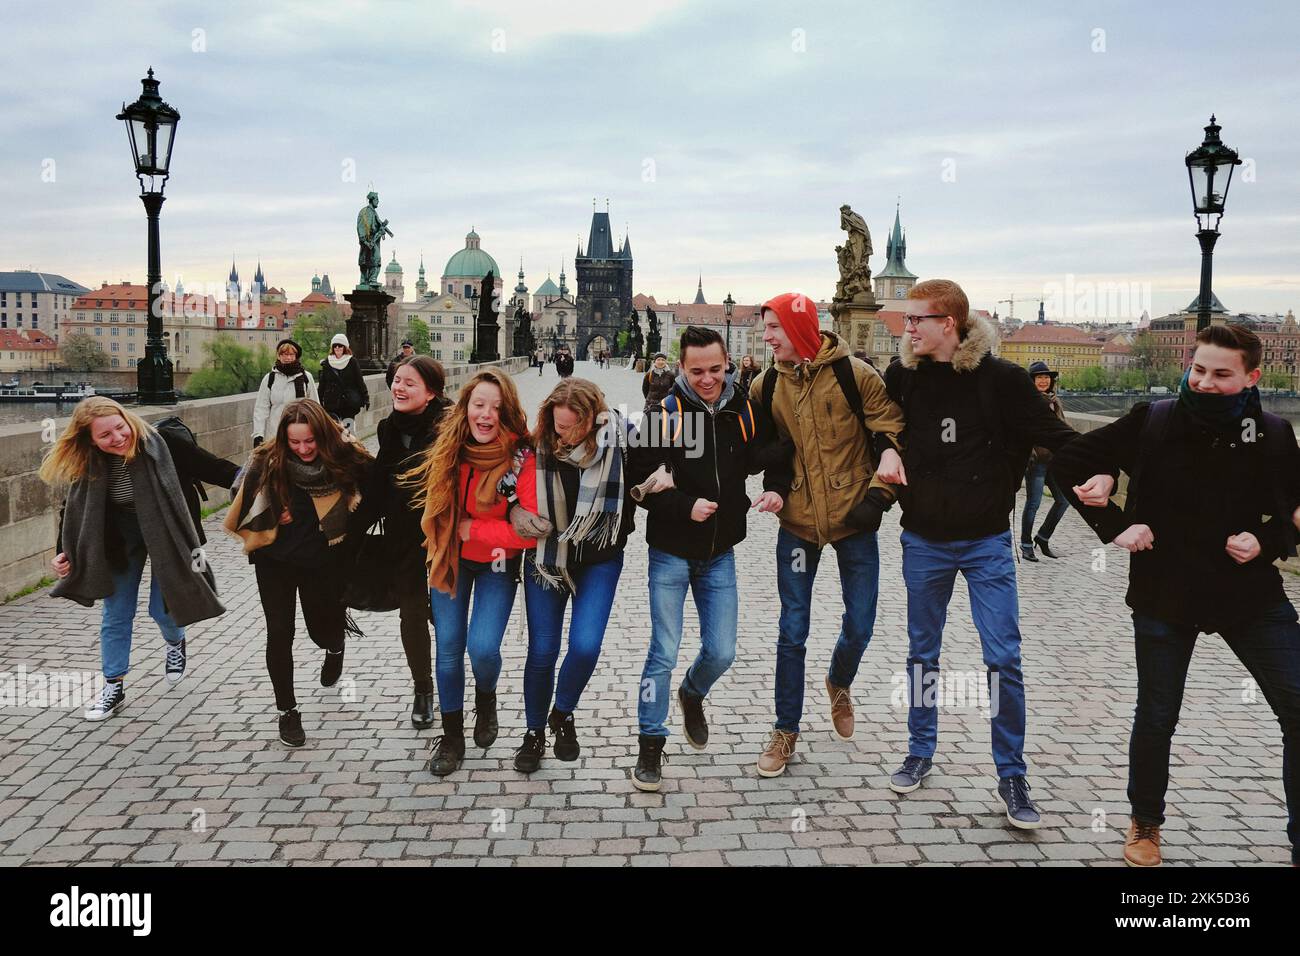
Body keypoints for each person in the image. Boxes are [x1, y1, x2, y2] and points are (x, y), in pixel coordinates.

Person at [1050, 323, 1300, 867]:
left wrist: (1268, 540)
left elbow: (1296, 514)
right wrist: (1115, 525)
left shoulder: (1275, 433)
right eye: (1198, 369)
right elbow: (1063, 463)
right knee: (1158, 712)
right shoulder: (1154, 420)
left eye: (1220, 374)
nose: (1205, 382)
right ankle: (1145, 824)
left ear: (1252, 377)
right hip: (1165, 591)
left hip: (1249, 595)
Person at [881, 279, 1076, 829]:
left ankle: (1011, 773)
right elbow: (877, 426)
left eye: (918, 319)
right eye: (907, 319)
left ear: (951, 325)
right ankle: (920, 750)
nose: (908, 327)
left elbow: (1056, 435)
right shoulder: (904, 376)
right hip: (923, 539)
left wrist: (1104, 469)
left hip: (988, 541)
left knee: (1002, 657)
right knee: (923, 653)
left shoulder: (1004, 380)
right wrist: (887, 453)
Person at [750, 292, 906, 776]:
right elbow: (754, 442)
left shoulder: (854, 374)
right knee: (792, 629)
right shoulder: (766, 383)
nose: (767, 337)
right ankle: (785, 730)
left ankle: (839, 681)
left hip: (854, 515)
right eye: (766, 327)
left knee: (861, 621)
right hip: (797, 521)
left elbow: (894, 435)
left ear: (799, 329)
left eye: (775, 328)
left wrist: (877, 499)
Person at [626, 326, 788, 791]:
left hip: (720, 552)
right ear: (681, 368)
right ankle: (650, 745)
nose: (707, 379)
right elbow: (638, 483)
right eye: (696, 371)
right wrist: (684, 507)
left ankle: (692, 693)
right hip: (671, 553)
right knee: (664, 651)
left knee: (722, 651)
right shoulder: (663, 415)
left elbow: (767, 452)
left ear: (728, 364)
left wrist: (776, 485)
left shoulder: (742, 409)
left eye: (715, 369)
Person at [42, 398, 230, 721]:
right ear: (90, 440)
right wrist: (63, 549)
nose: (117, 438)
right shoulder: (87, 461)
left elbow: (213, 467)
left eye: (120, 427)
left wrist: (259, 478)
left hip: (167, 532)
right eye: (105, 436)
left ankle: (175, 642)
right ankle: (113, 684)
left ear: (127, 419)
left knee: (164, 608)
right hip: (121, 537)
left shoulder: (163, 443)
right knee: (116, 613)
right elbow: (70, 509)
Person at [406, 367, 538, 777]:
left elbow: (530, 530)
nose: (486, 415)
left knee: (482, 648)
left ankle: (486, 696)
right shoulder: (448, 449)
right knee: (448, 648)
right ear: (465, 409)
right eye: (478, 405)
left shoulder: (522, 457)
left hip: (497, 561)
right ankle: (451, 737)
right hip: (452, 560)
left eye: (496, 408)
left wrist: (474, 528)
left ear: (508, 412)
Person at [225, 399, 371, 748]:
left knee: (322, 629)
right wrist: (274, 509)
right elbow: (238, 493)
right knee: (279, 632)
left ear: (322, 434)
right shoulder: (266, 459)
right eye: (295, 442)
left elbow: (378, 484)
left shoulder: (344, 456)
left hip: (322, 560)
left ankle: (334, 647)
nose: (303, 449)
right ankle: (287, 711)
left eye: (310, 441)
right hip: (274, 560)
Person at [510, 378, 637, 773]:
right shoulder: (533, 445)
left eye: (569, 428)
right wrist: (515, 509)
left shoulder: (624, 437)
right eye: (556, 425)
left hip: (600, 558)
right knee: (543, 651)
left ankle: (562, 713)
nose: (560, 435)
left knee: (585, 646)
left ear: (593, 421)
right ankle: (533, 733)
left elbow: (673, 449)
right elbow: (504, 486)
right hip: (546, 560)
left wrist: (661, 478)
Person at [356, 356, 451, 729]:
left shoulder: (451, 427)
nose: (399, 387)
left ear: (431, 393)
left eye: (410, 383)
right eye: (397, 380)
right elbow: (380, 483)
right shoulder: (389, 429)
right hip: (403, 536)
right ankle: (423, 689)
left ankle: (453, 684)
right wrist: (348, 532)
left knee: (445, 615)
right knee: (410, 611)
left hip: (444, 536)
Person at [1019, 360, 1071, 561]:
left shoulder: (1055, 401)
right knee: (1034, 503)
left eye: (1046, 377)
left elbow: (1063, 427)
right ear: (1032, 380)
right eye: (1039, 377)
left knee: (1064, 500)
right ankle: (1026, 544)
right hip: (1037, 460)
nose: (1043, 380)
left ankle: (1043, 537)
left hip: (1054, 460)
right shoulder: (1027, 403)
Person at [254, 339, 319, 447]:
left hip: (300, 435)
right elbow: (261, 408)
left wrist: (318, 431)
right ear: (278, 356)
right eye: (284, 354)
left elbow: (315, 406)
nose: (288, 358)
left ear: (296, 356)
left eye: (291, 354)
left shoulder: (306, 377)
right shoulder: (270, 378)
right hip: (275, 434)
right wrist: (258, 435)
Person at [318, 333, 369, 427]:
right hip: (332, 402)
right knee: (334, 430)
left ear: (345, 347)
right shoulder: (327, 363)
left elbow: (359, 381)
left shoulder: (352, 362)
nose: (337, 348)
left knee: (348, 430)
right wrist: (319, 399)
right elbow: (323, 383)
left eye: (340, 345)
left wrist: (365, 397)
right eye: (335, 346)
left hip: (348, 402)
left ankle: (349, 441)